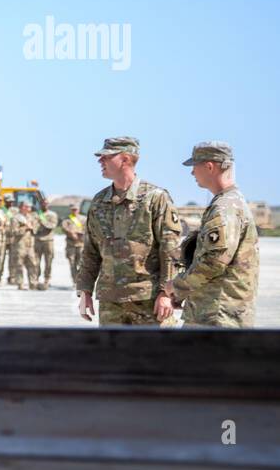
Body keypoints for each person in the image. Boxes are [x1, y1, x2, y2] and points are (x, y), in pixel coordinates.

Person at [75, 136, 180, 326]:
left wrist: (167, 293)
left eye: (106, 157)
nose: (100, 161)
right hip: (110, 302)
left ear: (125, 159)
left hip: (148, 299)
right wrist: (85, 291)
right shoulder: (99, 202)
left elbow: (170, 250)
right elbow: (91, 251)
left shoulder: (155, 198)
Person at [162, 141, 258, 327]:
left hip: (216, 316)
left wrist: (177, 286)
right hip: (216, 313)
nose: (192, 173)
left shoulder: (225, 208)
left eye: (194, 167)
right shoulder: (228, 203)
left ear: (209, 167)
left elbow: (213, 263)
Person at [8, 202, 38, 290]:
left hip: (30, 245)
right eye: (27, 206)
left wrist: (32, 227)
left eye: (29, 206)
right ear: (22, 207)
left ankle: (33, 284)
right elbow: (14, 232)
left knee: (33, 264)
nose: (29, 208)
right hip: (20, 245)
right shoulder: (16, 218)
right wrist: (25, 228)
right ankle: (20, 284)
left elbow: (36, 229)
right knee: (19, 265)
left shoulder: (31, 217)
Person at [32, 205, 59, 290]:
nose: (44, 205)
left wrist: (42, 221)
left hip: (48, 241)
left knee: (48, 261)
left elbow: (52, 226)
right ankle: (35, 279)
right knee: (36, 261)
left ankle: (47, 279)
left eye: (46, 203)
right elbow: (33, 227)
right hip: (38, 240)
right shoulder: (36, 214)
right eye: (43, 203)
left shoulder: (52, 215)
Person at [60, 204, 86, 286]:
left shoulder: (84, 219)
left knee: (81, 263)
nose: (74, 211)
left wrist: (80, 233)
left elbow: (88, 228)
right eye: (73, 209)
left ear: (78, 209)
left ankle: (80, 279)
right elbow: (63, 228)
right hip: (70, 244)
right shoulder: (67, 219)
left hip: (81, 244)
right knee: (72, 263)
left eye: (76, 209)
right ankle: (75, 281)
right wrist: (71, 233)